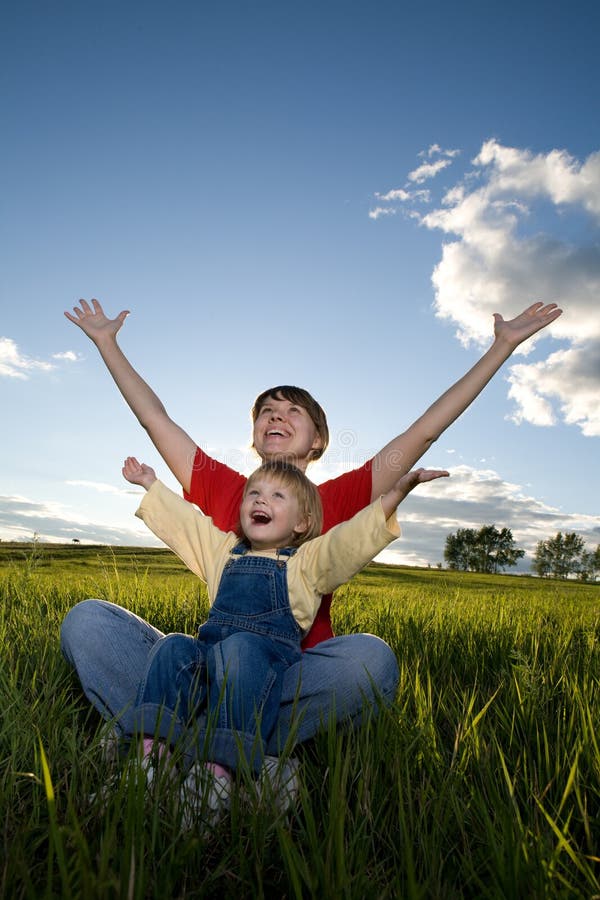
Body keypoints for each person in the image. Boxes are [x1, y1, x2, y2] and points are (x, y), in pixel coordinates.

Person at [60, 298, 562, 759]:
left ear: (317, 439)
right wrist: (108, 344)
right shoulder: (227, 490)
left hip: (288, 680)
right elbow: (155, 419)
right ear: (256, 437)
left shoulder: (339, 498)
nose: (276, 416)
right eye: (266, 413)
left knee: (372, 661)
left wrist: (500, 347)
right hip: (209, 670)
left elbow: (426, 429)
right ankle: (221, 747)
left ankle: (176, 737)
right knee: (89, 621)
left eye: (292, 411)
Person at [120, 456, 448, 803]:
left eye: (278, 496)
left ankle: (217, 776)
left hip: (262, 674)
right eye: (254, 493)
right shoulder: (223, 552)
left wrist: (393, 495)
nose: (261, 499)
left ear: (302, 522)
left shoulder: (306, 563)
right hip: (208, 666)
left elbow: (347, 542)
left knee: (242, 650)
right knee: (172, 647)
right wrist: (151, 484)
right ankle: (149, 760)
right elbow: (187, 524)